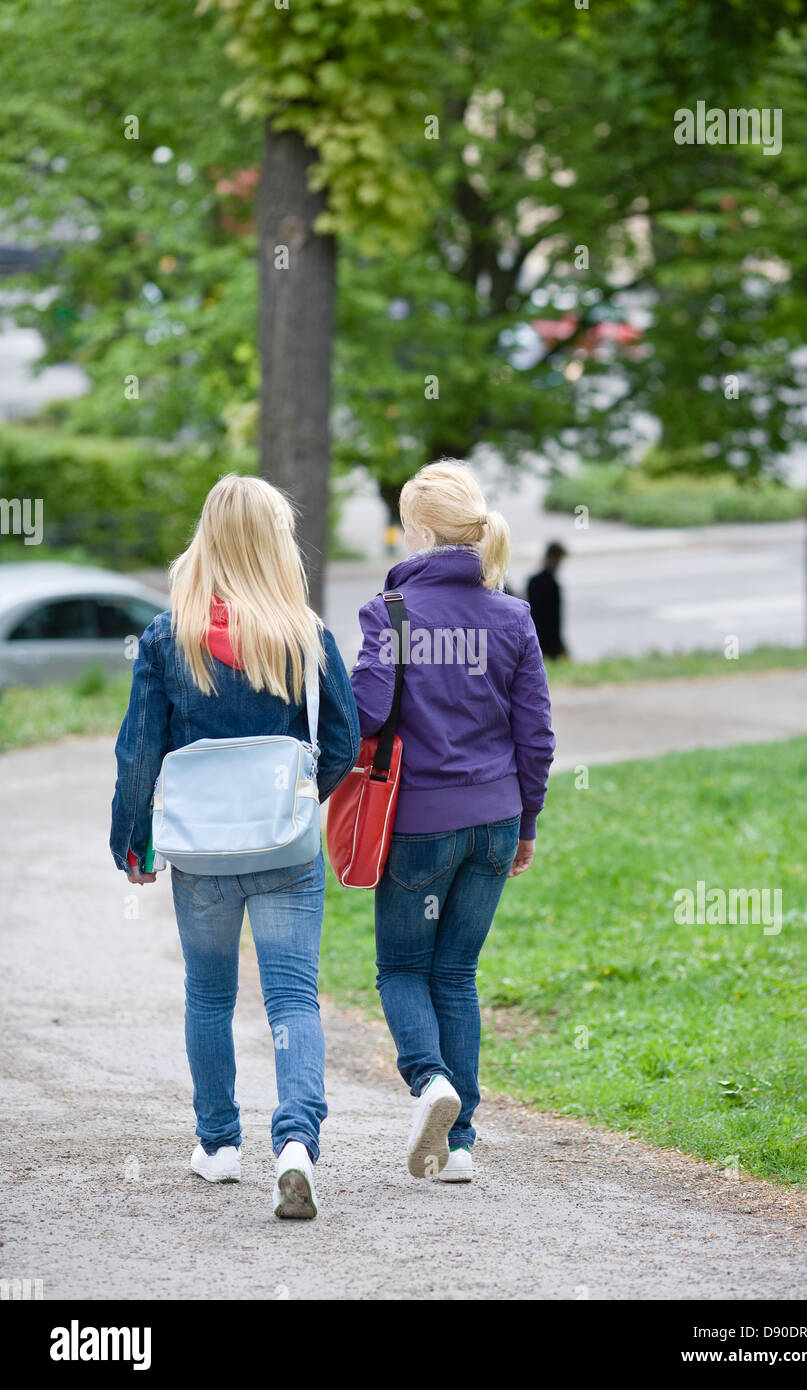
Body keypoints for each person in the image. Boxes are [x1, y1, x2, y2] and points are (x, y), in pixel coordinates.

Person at [109, 474, 359, 1221]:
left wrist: (132, 840)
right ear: (275, 544)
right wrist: (302, 796)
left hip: (204, 858)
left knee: (210, 996)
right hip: (285, 850)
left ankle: (218, 1145)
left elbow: (137, 756)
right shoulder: (305, 635)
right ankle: (295, 1146)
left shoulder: (167, 637)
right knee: (291, 998)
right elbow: (342, 741)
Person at [350, 459, 555, 1183]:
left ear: (420, 531)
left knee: (404, 967)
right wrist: (527, 821)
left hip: (419, 826)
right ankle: (461, 1143)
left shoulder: (392, 614)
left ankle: (429, 1081)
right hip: (496, 820)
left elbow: (369, 711)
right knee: (457, 973)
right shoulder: (513, 616)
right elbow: (537, 735)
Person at [527, 541, 568, 659]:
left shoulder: (533, 581)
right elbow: (554, 618)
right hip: (548, 639)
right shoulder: (551, 583)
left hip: (536, 634)